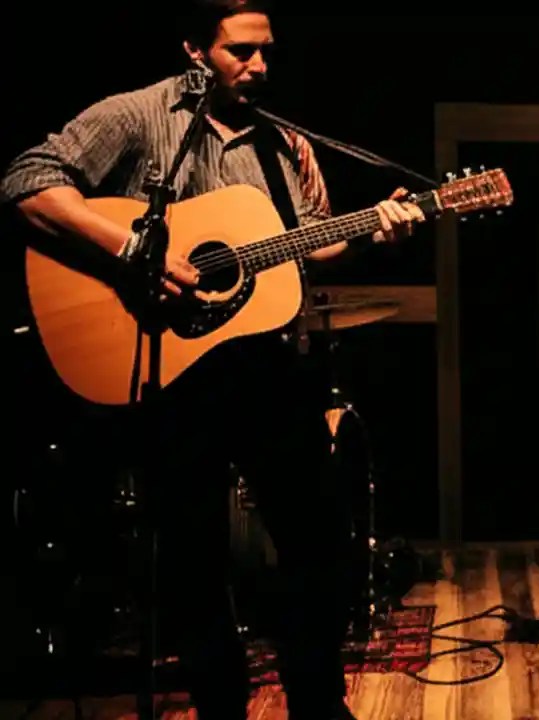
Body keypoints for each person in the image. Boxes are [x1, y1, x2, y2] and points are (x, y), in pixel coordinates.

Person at [0, 1, 424, 718]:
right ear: (196, 50)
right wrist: (134, 248)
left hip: (266, 367)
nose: (259, 67)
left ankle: (317, 703)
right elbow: (26, 180)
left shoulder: (284, 143)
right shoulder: (139, 116)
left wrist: (372, 231)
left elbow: (306, 242)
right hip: (171, 372)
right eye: (240, 52)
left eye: (266, 52)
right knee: (191, 565)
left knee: (324, 543)